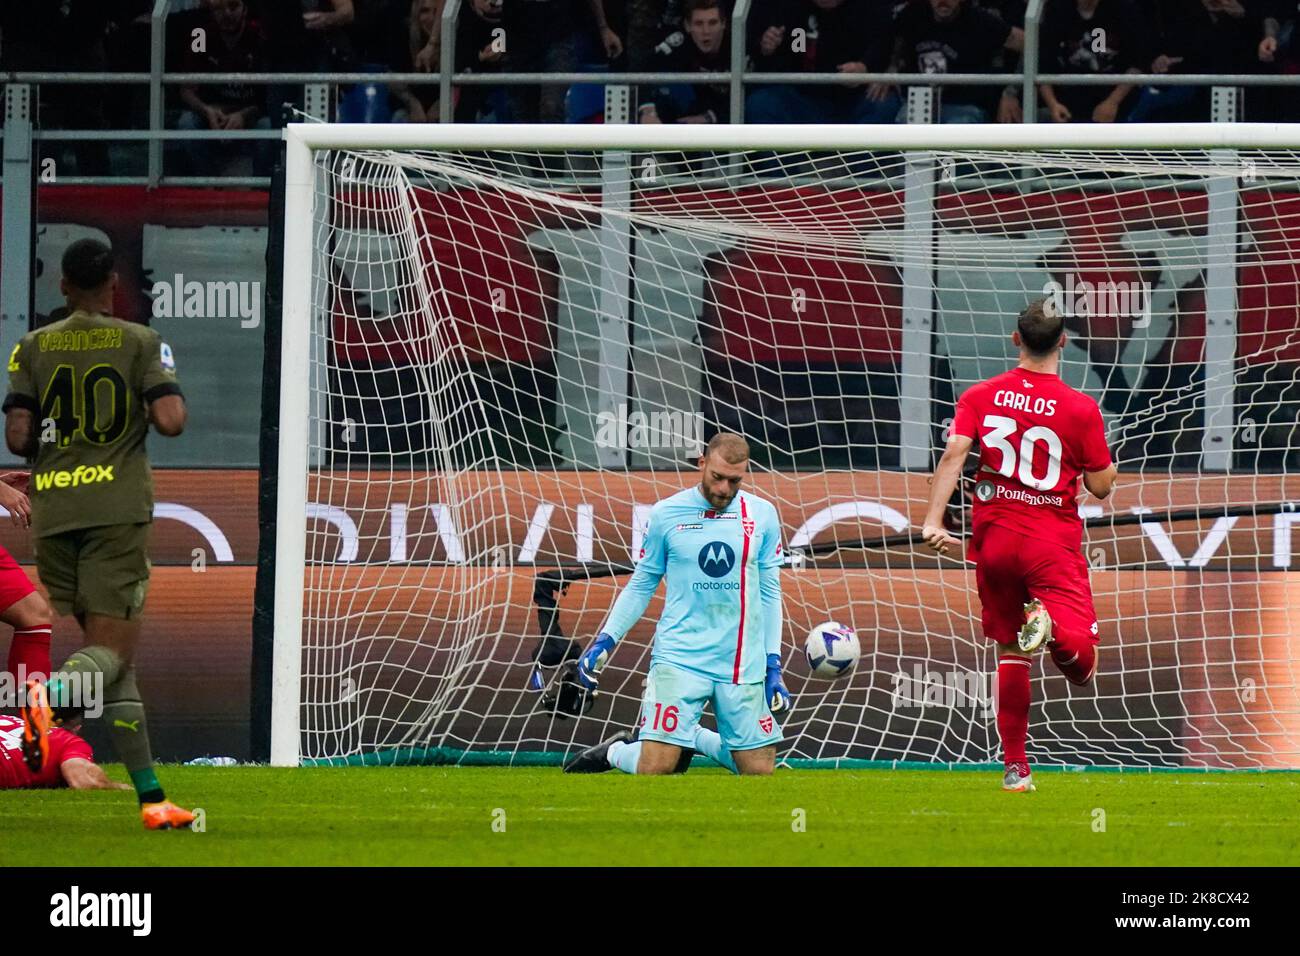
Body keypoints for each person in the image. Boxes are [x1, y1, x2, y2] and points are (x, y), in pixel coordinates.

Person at [4, 238, 195, 830]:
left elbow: (18, 438)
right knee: (112, 652)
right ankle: (43, 704)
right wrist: (142, 402)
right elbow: (171, 422)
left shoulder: (31, 346)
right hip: (114, 510)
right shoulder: (138, 341)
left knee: (117, 663)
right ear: (113, 284)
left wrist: (59, 449)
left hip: (54, 518)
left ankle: (152, 800)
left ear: (61, 285)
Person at [920, 297, 1118, 793]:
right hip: (1049, 539)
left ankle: (1015, 770)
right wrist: (1103, 458)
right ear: (1064, 342)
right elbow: (1101, 486)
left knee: (1010, 650)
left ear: (1015, 339)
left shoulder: (981, 396)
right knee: (1083, 666)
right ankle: (1051, 630)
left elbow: (954, 456)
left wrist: (932, 520)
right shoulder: (1080, 407)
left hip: (994, 538)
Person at [563, 433, 791, 776]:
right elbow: (642, 583)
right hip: (681, 656)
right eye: (717, 477)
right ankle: (615, 752)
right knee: (657, 767)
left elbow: (771, 593)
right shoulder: (667, 514)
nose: (725, 489)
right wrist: (605, 641)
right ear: (702, 464)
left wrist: (773, 665)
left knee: (759, 772)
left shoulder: (762, 515)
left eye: (735, 481)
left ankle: (694, 736)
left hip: (741, 662)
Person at [889, 0, 1025, 123]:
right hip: (919, 104)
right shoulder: (912, 15)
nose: (943, 2)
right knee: (903, 121)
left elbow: (1029, 42)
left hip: (965, 107)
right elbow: (891, 42)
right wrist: (890, 69)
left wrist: (1010, 93)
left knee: (960, 126)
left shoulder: (978, 19)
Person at [638, 0, 731, 125]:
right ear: (687, 26)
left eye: (712, 23)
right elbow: (645, 67)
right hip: (689, 108)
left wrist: (709, 117)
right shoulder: (679, 42)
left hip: (725, 118)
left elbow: (749, 93)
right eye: (698, 24)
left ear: (723, 23)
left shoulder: (737, 45)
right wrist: (648, 110)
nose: (706, 31)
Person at [0, 714, 130, 791]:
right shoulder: (69, 741)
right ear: (78, 728)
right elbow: (83, 782)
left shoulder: (9, 719)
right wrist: (119, 787)